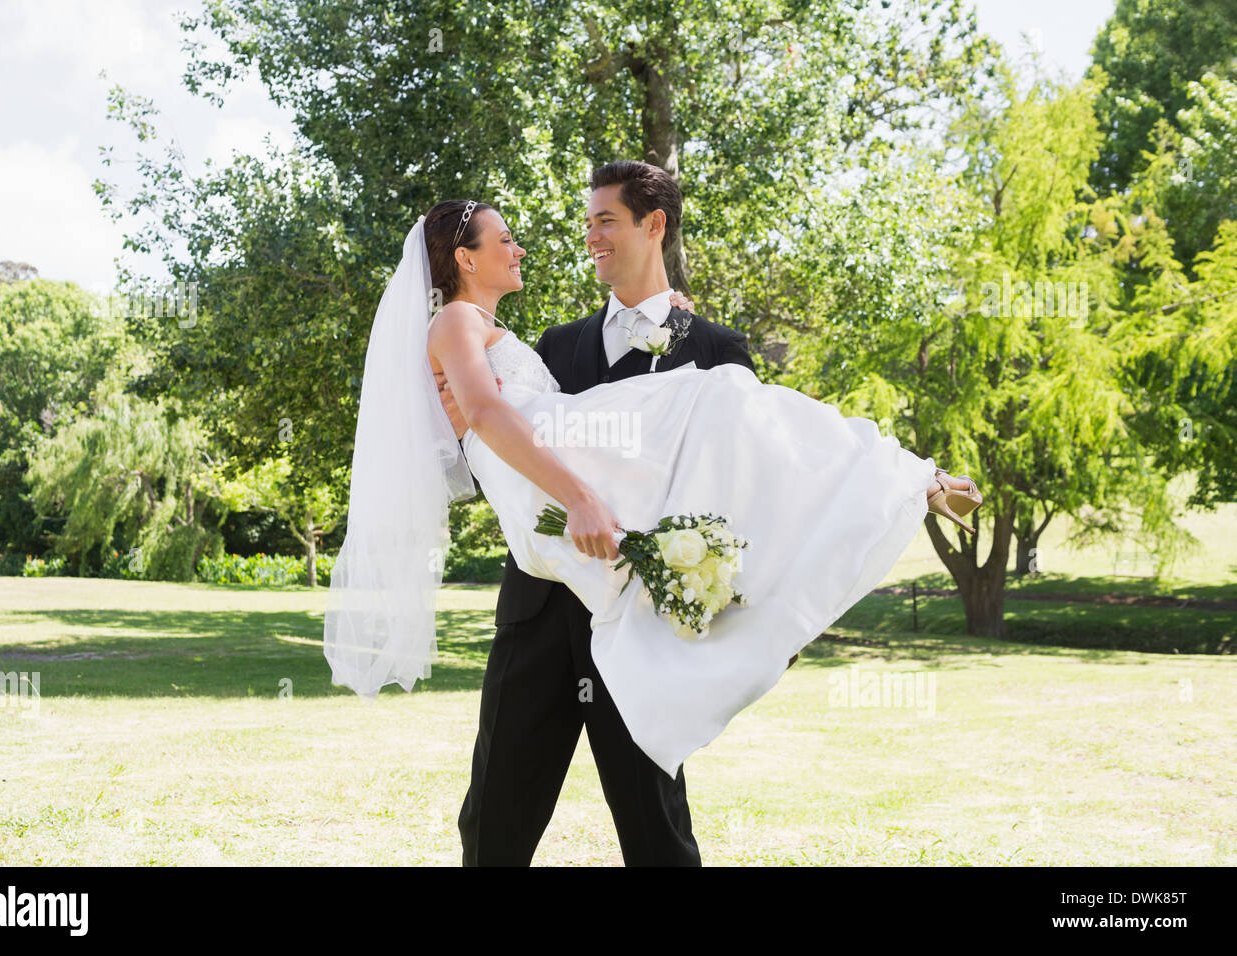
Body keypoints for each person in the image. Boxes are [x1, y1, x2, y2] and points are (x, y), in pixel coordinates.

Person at [323, 161, 982, 868]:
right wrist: (465, 432)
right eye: (589, 223)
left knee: (655, 827)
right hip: (541, 609)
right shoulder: (551, 345)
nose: (587, 238)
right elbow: (516, 458)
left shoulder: (713, 346)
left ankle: (906, 479)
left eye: (604, 221)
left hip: (645, 612)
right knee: (496, 815)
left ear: (653, 225)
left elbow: (753, 467)